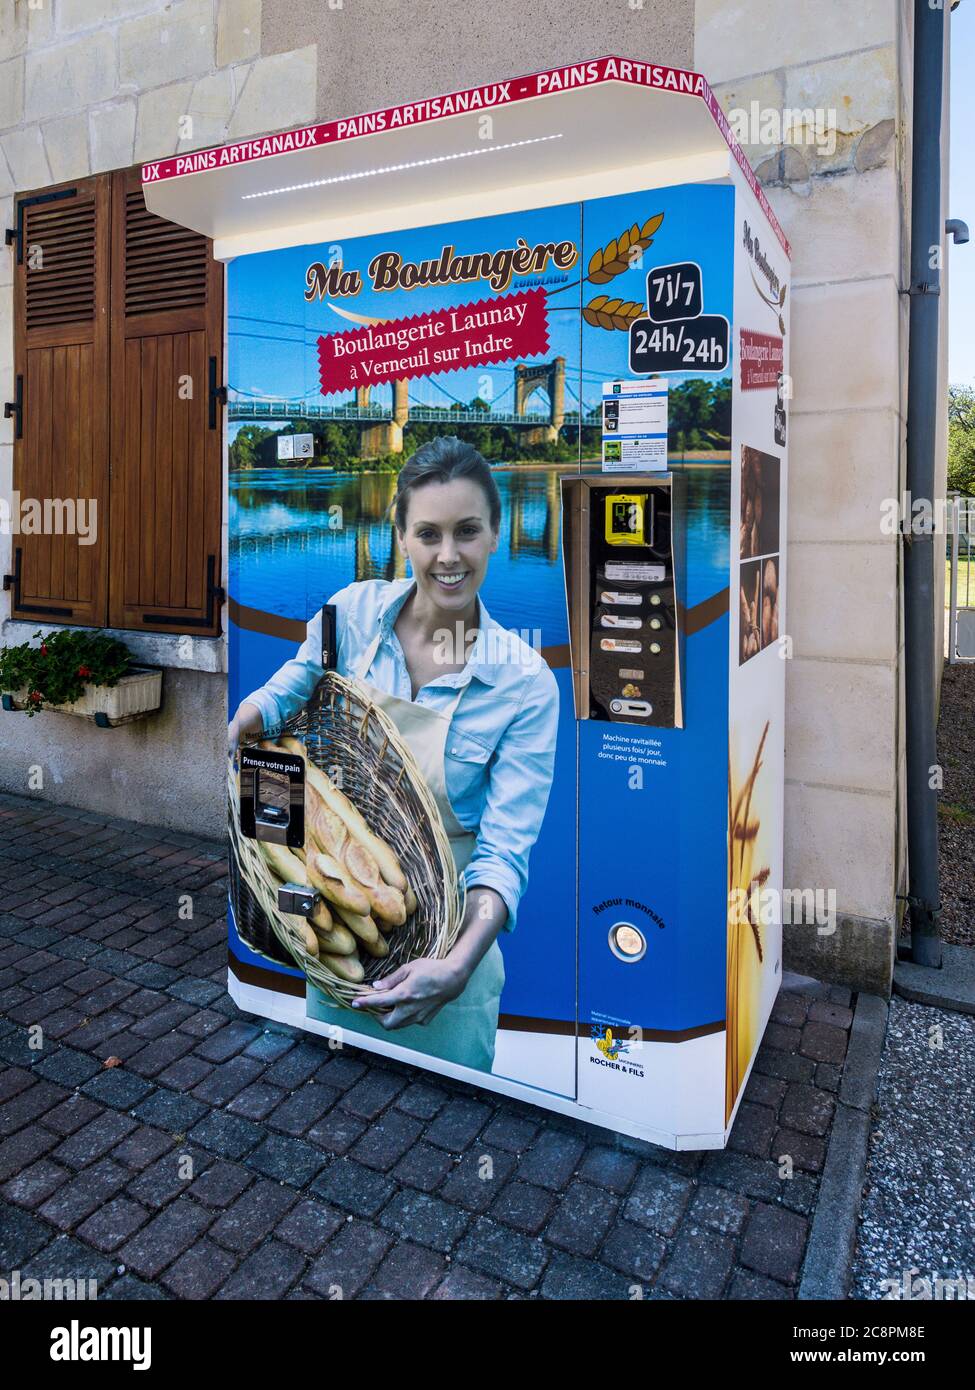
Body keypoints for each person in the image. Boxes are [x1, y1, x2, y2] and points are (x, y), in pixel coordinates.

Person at [229, 437, 559, 1072]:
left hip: (448, 952)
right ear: (402, 536)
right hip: (338, 953)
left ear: (496, 534)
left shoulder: (525, 684)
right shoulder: (351, 614)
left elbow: (504, 855)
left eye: (468, 531)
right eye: (427, 533)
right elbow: (289, 689)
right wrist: (241, 724)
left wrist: (457, 966)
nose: (448, 555)